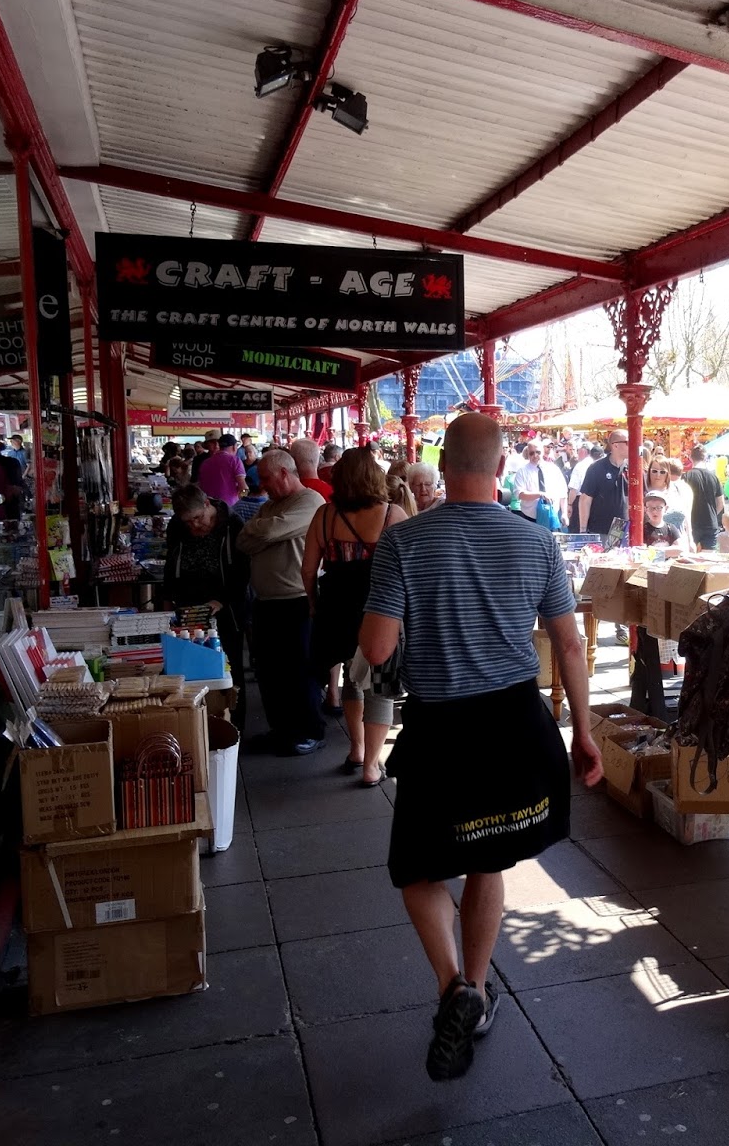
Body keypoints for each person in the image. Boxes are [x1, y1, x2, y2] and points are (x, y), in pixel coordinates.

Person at [359, 413, 602, 1080]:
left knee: (417, 869)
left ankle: (454, 990)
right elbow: (570, 643)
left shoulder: (403, 541)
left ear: (442, 465)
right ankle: (478, 988)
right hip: (515, 721)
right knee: (487, 859)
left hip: (442, 726)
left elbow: (376, 650)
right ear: (501, 469)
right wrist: (583, 731)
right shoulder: (536, 540)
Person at [304, 448, 408, 785]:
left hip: (336, 608)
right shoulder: (392, 514)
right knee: (379, 684)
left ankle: (357, 749)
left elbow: (308, 570)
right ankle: (371, 766)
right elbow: (408, 568)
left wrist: (314, 603)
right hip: (381, 608)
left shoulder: (324, 515)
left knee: (352, 677)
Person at [237, 449, 326, 755]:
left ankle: (311, 730)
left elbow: (270, 530)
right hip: (266, 602)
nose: (261, 485)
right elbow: (243, 540)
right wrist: (262, 531)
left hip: (297, 601)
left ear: (285, 474)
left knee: (300, 670)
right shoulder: (270, 506)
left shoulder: (310, 502)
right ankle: (282, 729)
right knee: (270, 672)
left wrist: (262, 530)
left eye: (266, 478)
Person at [166, 483, 250, 723]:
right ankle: (197, 721)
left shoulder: (232, 524)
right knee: (188, 666)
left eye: (198, 518)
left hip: (226, 607)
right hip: (188, 605)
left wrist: (223, 600)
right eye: (188, 522)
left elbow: (243, 570)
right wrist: (170, 597)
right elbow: (172, 562)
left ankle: (235, 723)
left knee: (230, 667)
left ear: (207, 504)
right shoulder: (177, 526)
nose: (194, 525)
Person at [577, 431, 629, 543]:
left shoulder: (632, 469)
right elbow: (585, 499)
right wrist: (583, 530)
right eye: (628, 442)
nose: (632, 446)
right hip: (600, 529)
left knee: (619, 554)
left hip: (622, 528)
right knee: (602, 554)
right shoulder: (597, 468)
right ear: (615, 445)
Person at [513, 441, 567, 529]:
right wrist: (540, 494)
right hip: (530, 519)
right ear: (528, 454)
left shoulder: (554, 469)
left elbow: (563, 492)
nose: (535, 455)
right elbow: (519, 494)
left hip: (551, 517)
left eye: (538, 452)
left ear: (542, 451)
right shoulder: (522, 471)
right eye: (531, 453)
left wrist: (564, 513)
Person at [682, 445, 724, 551]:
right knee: (709, 558)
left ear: (690, 457)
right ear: (705, 457)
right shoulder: (714, 477)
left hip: (692, 523)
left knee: (689, 557)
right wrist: (713, 514)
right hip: (710, 522)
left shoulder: (686, 476)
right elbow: (721, 503)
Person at [196, 432, 247, 508]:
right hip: (229, 507)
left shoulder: (205, 463)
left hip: (209, 506)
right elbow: (243, 488)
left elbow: (200, 485)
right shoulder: (235, 460)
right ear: (234, 447)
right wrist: (243, 498)